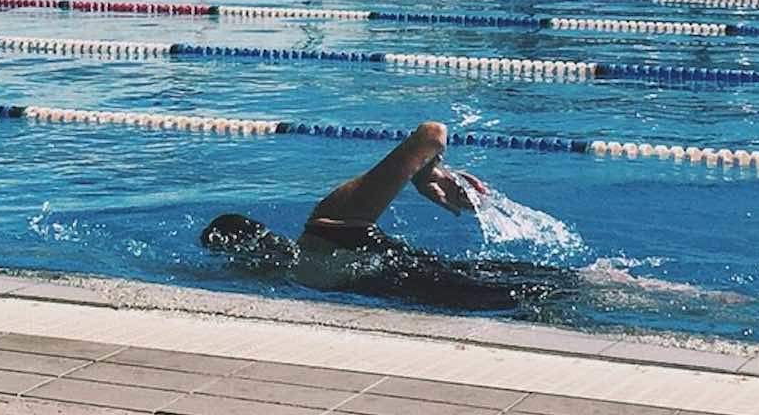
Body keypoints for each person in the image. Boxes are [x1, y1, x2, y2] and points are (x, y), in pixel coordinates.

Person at [201, 123, 579, 310]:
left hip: (471, 290)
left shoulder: (327, 223)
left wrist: (424, 173)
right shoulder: (302, 272)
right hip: (471, 288)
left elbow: (432, 133)